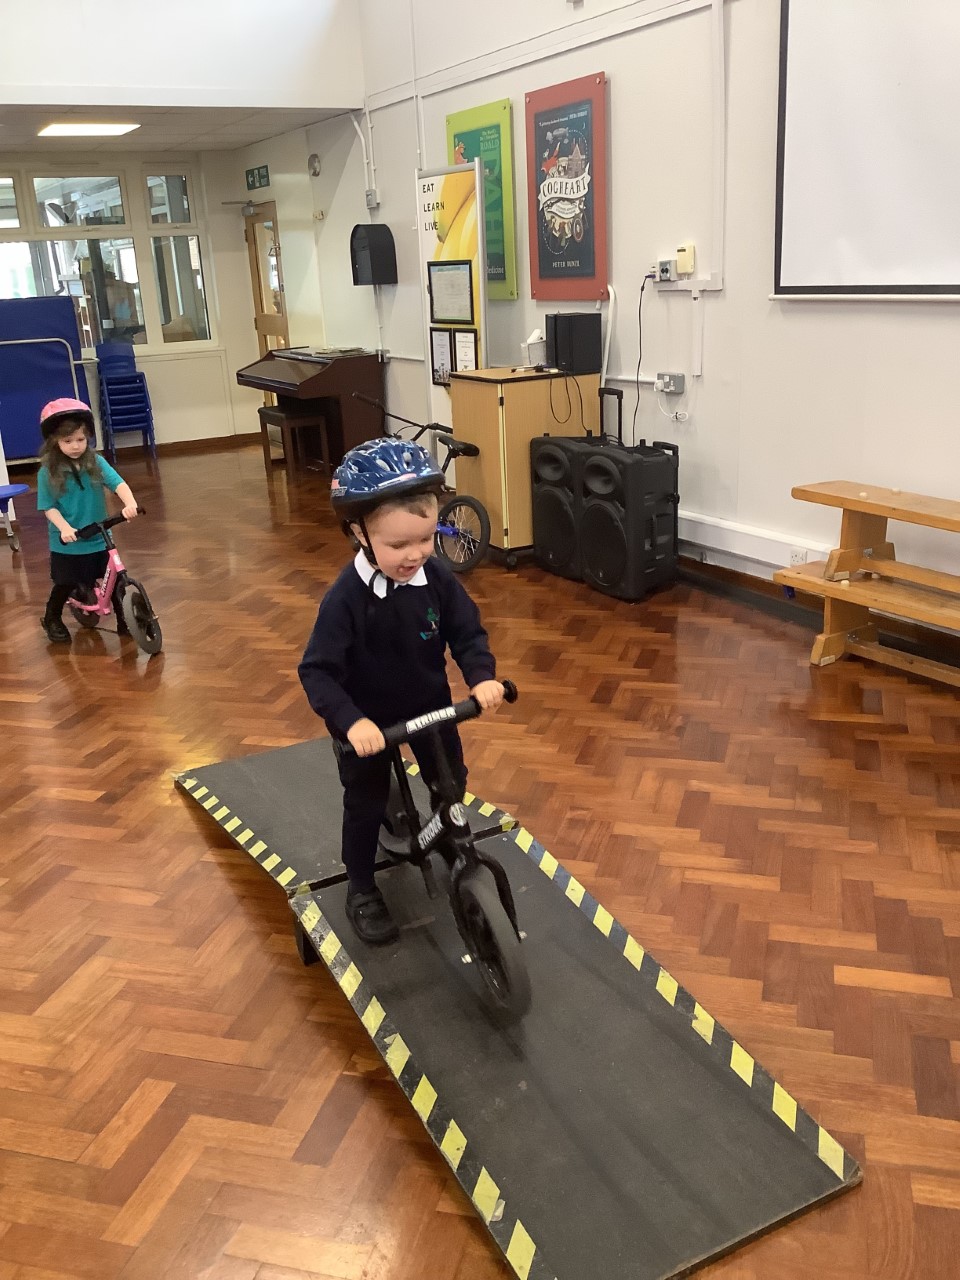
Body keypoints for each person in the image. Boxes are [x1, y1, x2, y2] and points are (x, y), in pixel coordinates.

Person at [298, 437, 504, 945]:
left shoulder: (435, 577)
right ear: (358, 533)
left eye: (426, 539)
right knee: (365, 803)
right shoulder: (345, 599)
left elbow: (467, 631)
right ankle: (362, 886)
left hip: (428, 705)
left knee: (450, 779)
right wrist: (353, 722)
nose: (414, 556)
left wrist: (481, 677)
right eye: (397, 546)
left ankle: (450, 839)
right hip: (367, 719)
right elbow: (317, 672)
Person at [36, 398, 139, 644]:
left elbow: (118, 483)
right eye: (67, 441)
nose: (75, 446)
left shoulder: (96, 462)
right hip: (68, 541)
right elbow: (48, 507)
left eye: (81, 440)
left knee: (114, 580)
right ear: (54, 442)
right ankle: (52, 617)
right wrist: (64, 528)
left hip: (99, 535)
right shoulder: (47, 472)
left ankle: (127, 619)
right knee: (65, 582)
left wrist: (130, 503)